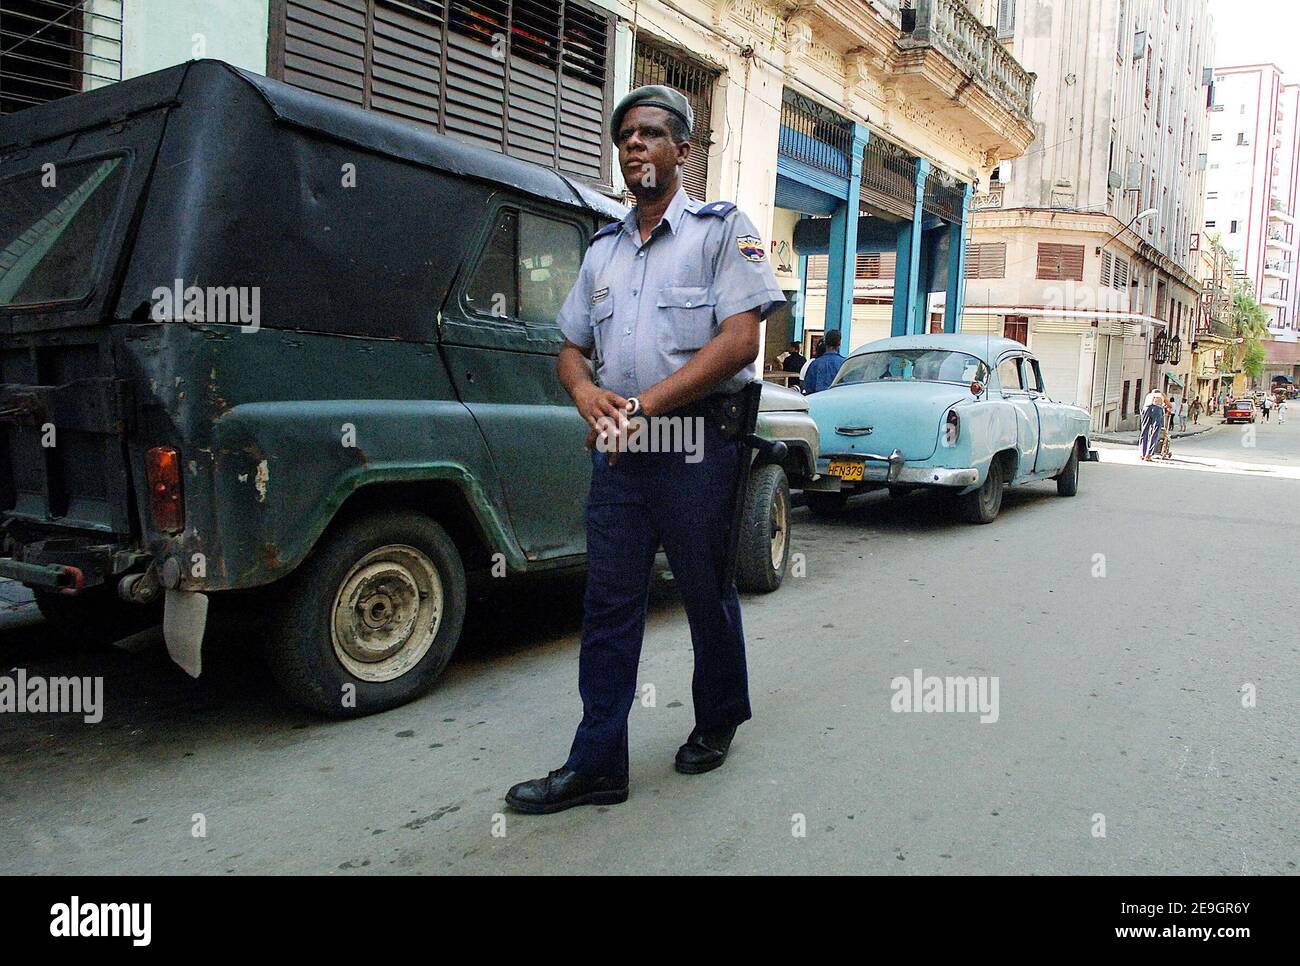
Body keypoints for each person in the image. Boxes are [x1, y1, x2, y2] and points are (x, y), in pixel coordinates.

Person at [504, 85, 785, 815]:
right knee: (608, 606)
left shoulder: (721, 232)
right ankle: (598, 762)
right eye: (626, 134)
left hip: (694, 442)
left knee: (703, 593)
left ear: (682, 152)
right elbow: (570, 347)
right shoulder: (602, 251)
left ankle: (719, 715)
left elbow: (740, 341)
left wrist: (643, 405)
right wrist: (584, 395)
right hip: (623, 452)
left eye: (653, 133)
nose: (636, 144)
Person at [802, 328, 846, 393]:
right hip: (838, 400)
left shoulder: (815, 364)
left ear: (825, 342)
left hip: (818, 400)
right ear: (839, 343)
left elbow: (808, 387)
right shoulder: (844, 363)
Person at [1139, 388, 1164, 461]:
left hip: (1146, 408)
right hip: (1157, 409)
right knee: (1155, 431)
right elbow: (1168, 405)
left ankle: (1142, 454)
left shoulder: (1148, 396)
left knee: (1144, 431)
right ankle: (1149, 454)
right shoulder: (1160, 395)